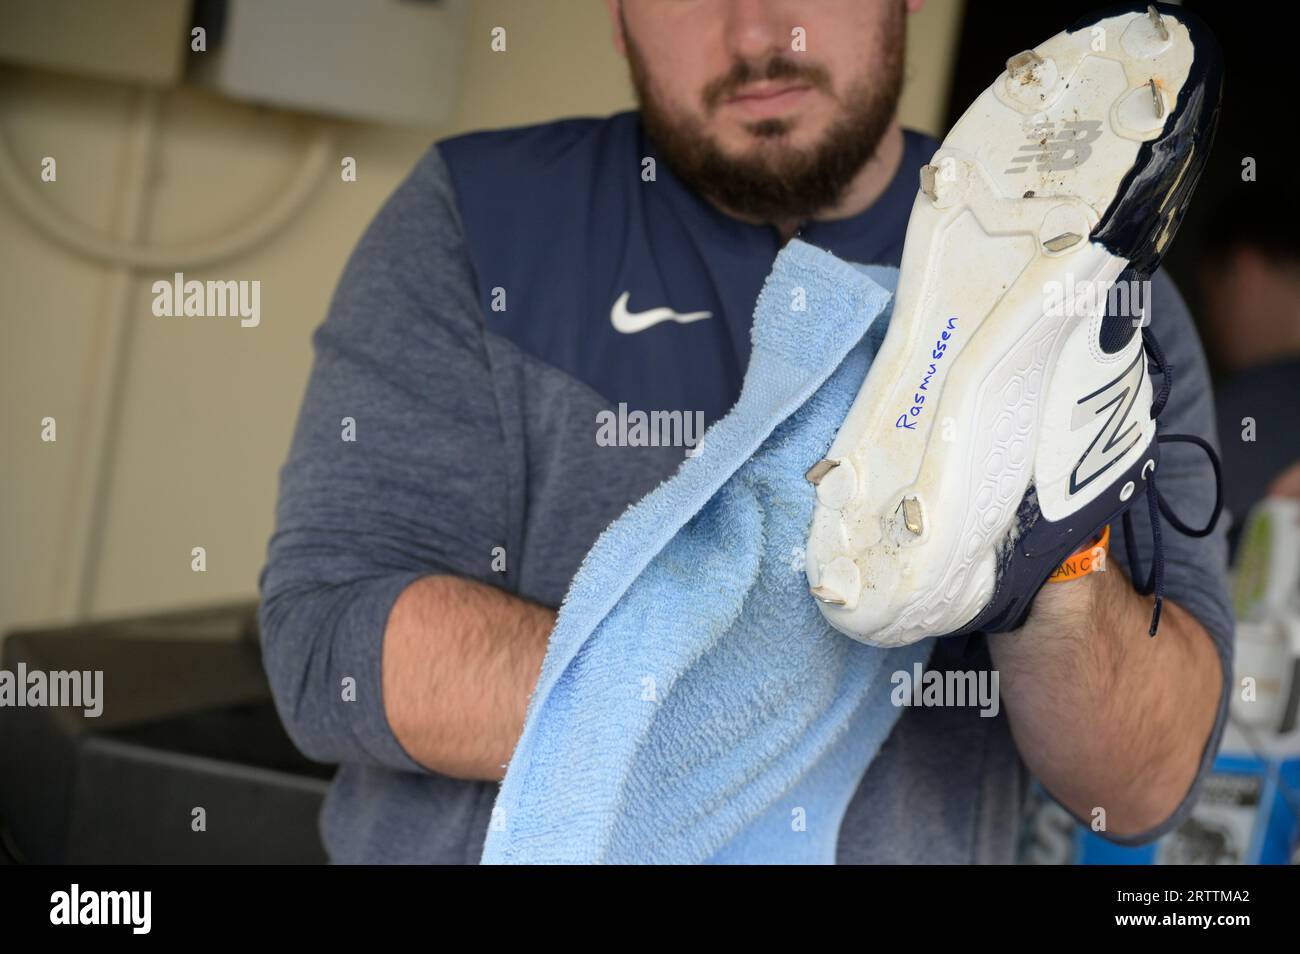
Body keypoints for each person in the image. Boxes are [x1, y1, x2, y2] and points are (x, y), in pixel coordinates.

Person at [258, 0, 1233, 863]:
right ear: (617, 13)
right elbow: (325, 653)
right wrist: (762, 675)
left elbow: (1141, 791)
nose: (760, 32)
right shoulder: (484, 219)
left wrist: (1057, 565)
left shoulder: (1093, 288)